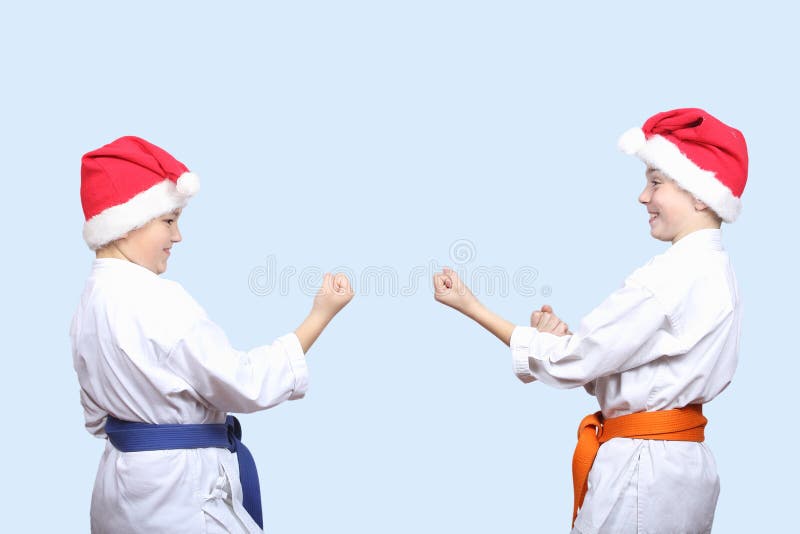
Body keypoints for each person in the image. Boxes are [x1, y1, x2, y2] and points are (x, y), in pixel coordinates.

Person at [433, 108, 747, 533]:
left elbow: (573, 362)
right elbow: (625, 368)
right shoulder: (716, 271)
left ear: (699, 194)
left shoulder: (668, 277)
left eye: (656, 182)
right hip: (681, 466)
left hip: (643, 472)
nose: (643, 197)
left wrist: (472, 307)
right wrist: (569, 346)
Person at [71, 136, 354, 533]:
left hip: (120, 489)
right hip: (178, 495)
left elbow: (96, 419)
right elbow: (245, 383)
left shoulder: (90, 301)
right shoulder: (155, 300)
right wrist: (319, 315)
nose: (177, 237)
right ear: (125, 224)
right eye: (168, 221)